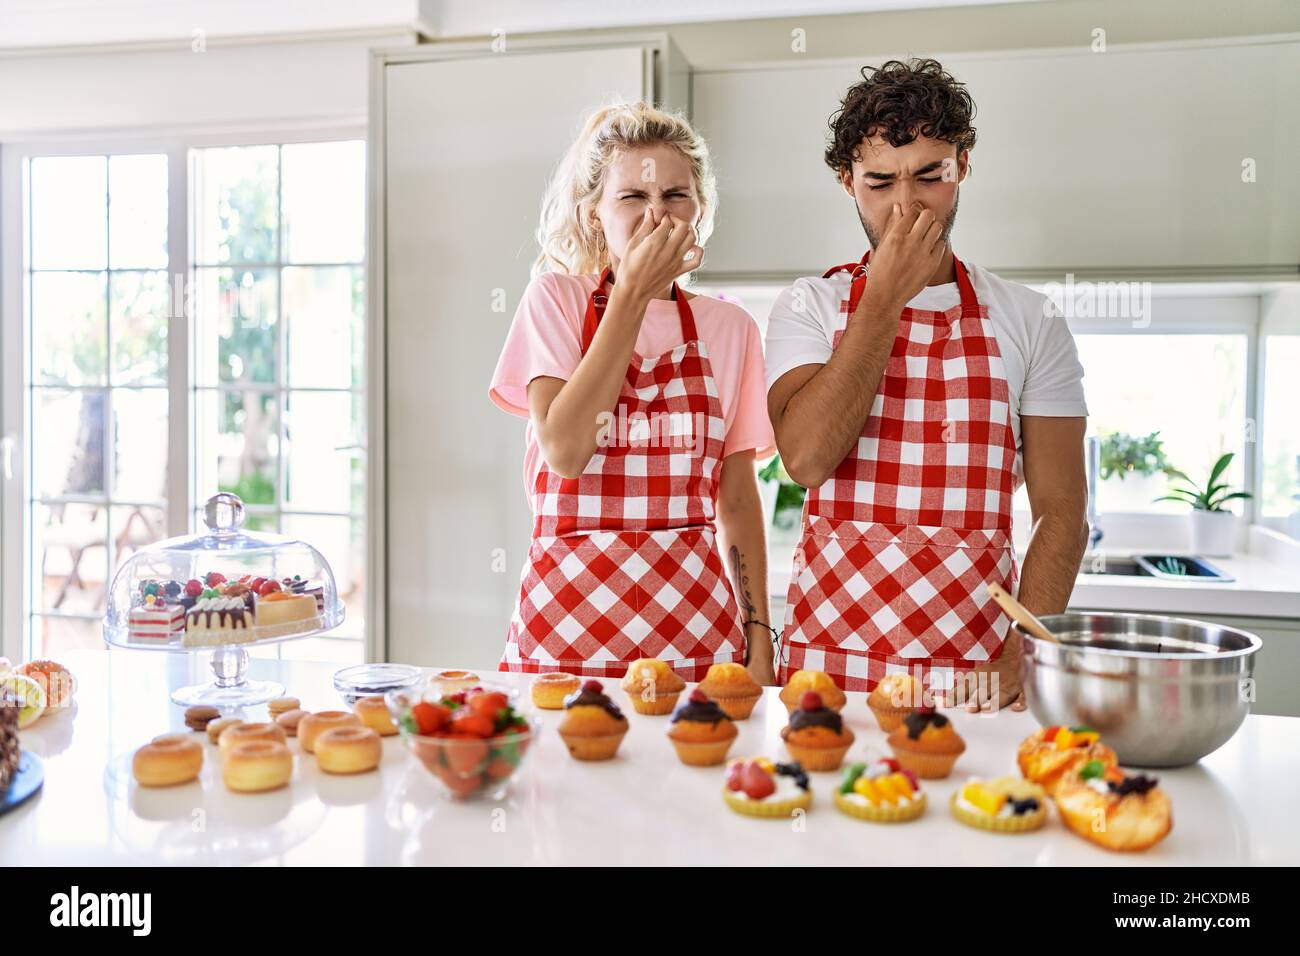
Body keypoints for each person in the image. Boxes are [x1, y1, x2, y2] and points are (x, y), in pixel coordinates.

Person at [765, 59, 1089, 710]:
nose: (906, 204)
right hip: (826, 670)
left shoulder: (1030, 319)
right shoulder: (810, 307)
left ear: (962, 166)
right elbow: (805, 458)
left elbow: (1063, 513)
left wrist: (1023, 650)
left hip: (974, 669)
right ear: (847, 181)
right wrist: (883, 299)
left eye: (929, 176)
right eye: (880, 181)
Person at [489, 102, 777, 684]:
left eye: (676, 196)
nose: (656, 215)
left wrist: (759, 635)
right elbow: (567, 450)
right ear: (595, 214)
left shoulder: (731, 330)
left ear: (700, 210)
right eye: (632, 198)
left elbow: (739, 499)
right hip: (564, 636)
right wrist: (632, 295)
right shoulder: (556, 303)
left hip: (696, 636)